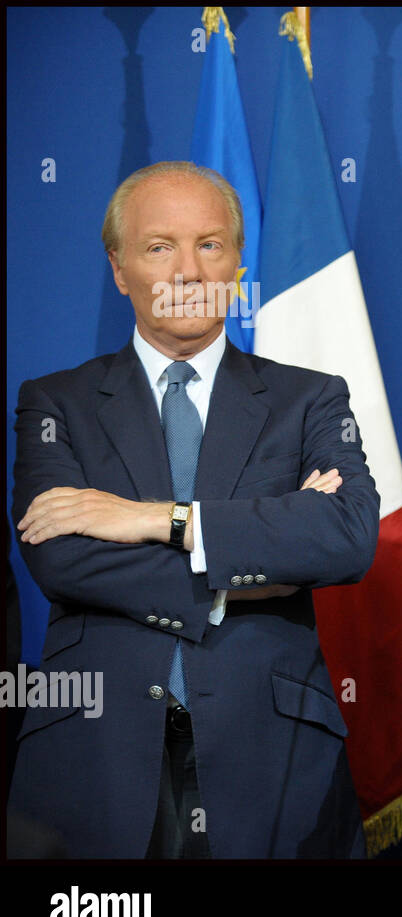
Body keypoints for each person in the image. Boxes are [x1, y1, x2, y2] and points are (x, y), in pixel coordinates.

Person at [8, 161, 379, 858]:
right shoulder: (55, 402)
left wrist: (156, 519)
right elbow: (62, 556)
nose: (187, 270)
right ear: (120, 269)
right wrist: (255, 565)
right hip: (95, 753)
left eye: (209, 245)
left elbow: (346, 536)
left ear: (238, 261)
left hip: (274, 759)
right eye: (159, 247)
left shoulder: (310, 399)